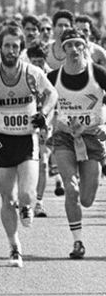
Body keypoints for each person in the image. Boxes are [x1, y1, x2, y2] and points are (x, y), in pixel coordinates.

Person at [0, 25, 58, 267]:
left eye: (15, 46)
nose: (10, 50)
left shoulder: (32, 73)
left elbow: (52, 94)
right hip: (3, 142)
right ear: (0, 47)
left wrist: (44, 112)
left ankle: (27, 206)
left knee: (27, 195)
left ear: (21, 49)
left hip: (27, 140)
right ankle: (14, 246)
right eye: (6, 45)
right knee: (7, 199)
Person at [45, 29, 106, 259]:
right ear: (62, 50)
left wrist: (103, 125)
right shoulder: (53, 78)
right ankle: (78, 242)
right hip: (64, 138)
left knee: (87, 199)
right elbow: (43, 104)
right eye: (68, 45)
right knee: (71, 188)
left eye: (77, 45)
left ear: (85, 47)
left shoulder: (97, 74)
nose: (73, 50)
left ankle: (89, 189)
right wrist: (47, 123)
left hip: (92, 137)